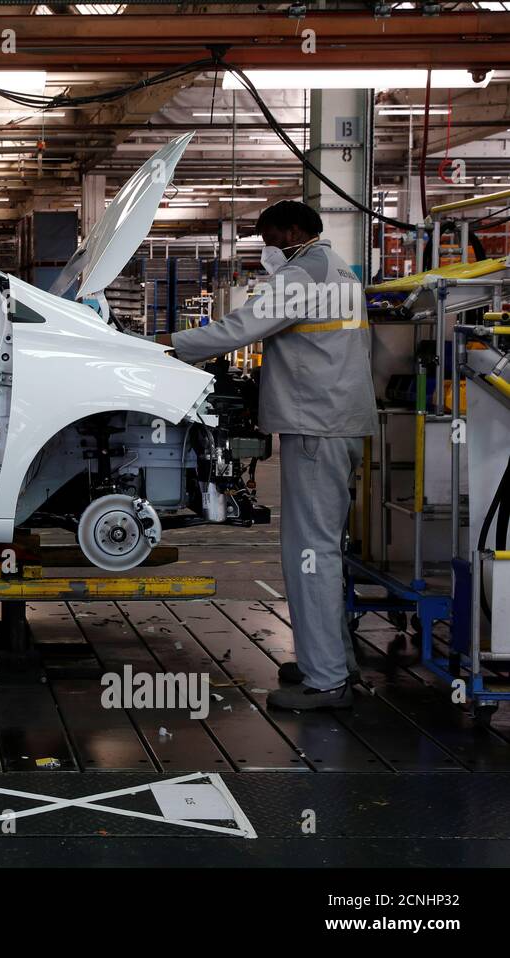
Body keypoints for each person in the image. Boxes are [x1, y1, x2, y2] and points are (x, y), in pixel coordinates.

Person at [157, 200, 377, 710]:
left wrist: (165, 345)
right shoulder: (337, 268)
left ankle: (326, 682)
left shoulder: (305, 272)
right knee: (323, 547)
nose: (265, 247)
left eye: (268, 236)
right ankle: (332, 662)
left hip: (317, 426)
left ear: (295, 230)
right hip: (333, 421)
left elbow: (240, 329)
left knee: (310, 551)